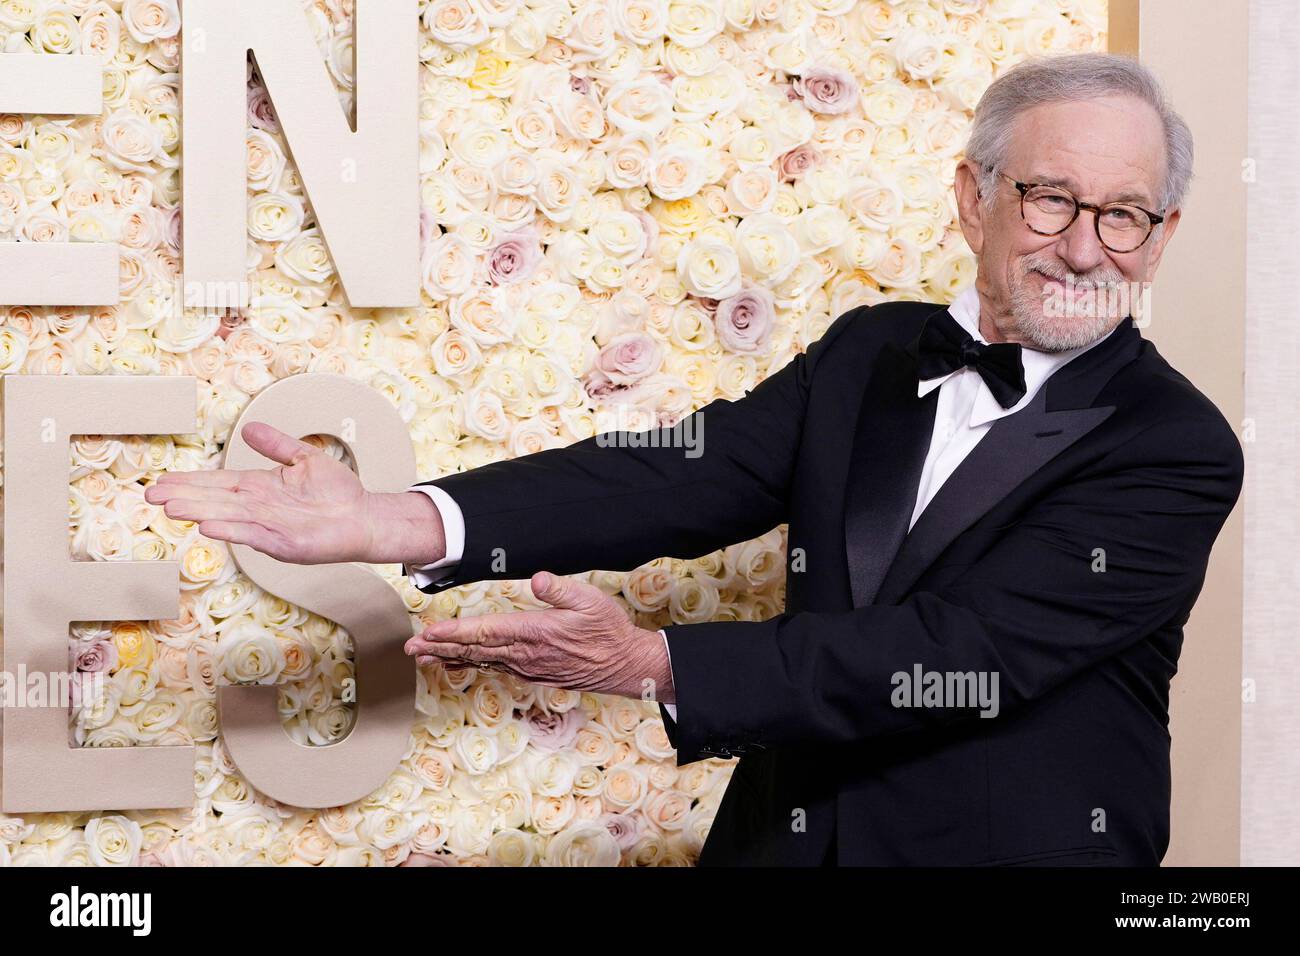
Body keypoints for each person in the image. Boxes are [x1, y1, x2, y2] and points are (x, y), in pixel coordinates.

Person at [145, 53, 1243, 866]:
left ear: (1164, 230)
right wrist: (403, 518)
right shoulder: (871, 351)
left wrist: (658, 663)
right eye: (1052, 197)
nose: (1086, 245)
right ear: (972, 196)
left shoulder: (1176, 445)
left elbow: (966, 649)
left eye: (1125, 215)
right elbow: (684, 466)